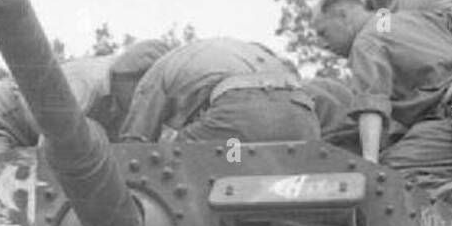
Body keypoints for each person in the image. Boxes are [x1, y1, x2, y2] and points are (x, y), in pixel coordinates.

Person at [312, 0, 452, 220]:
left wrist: (371, 166)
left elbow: (372, 106)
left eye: (323, 32)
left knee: (390, 173)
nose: (322, 44)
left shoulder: (366, 42)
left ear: (343, 16)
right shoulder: (411, 18)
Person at [0, 38, 170, 165]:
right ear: (128, 79)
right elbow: (50, 149)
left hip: (28, 129)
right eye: (141, 91)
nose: (143, 102)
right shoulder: (84, 85)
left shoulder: (127, 97)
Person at [117, 37, 333, 144]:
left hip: (237, 128)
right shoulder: (236, 48)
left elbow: (135, 147)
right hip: (301, 120)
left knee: (175, 158)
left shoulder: (156, 73)